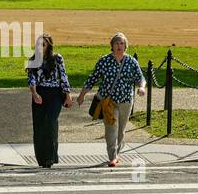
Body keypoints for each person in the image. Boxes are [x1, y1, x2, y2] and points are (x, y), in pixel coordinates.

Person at [78, 32, 147, 167]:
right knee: (111, 129)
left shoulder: (131, 62)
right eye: (116, 43)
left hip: (126, 101)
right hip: (109, 102)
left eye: (122, 43)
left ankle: (117, 152)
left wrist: (142, 87)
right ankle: (113, 156)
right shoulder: (104, 61)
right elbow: (92, 79)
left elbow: (140, 78)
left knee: (121, 130)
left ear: (125, 46)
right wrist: (82, 95)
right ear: (112, 46)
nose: (119, 46)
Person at [27, 34, 73, 168]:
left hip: (55, 94)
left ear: (49, 46)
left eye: (43, 44)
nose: (40, 47)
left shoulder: (57, 59)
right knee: (39, 125)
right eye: (38, 44)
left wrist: (68, 95)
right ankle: (41, 158)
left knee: (51, 123)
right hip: (40, 93)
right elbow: (32, 79)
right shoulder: (33, 60)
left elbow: (63, 76)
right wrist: (34, 93)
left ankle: (50, 157)